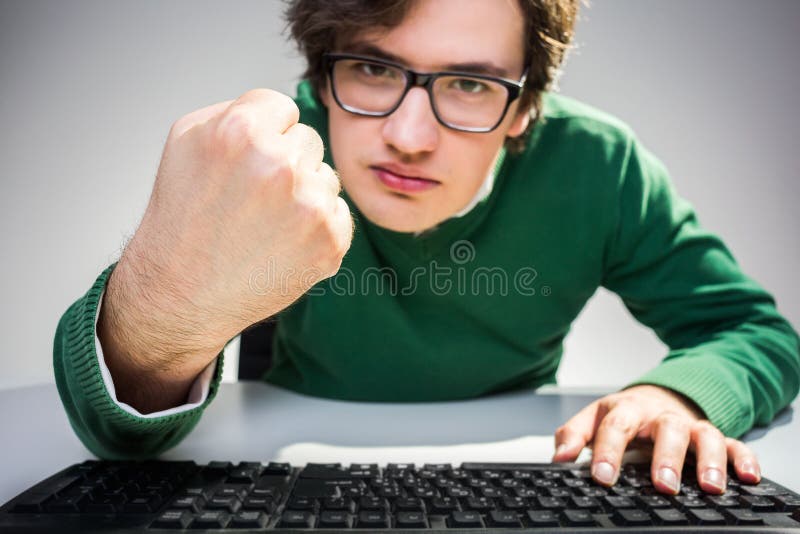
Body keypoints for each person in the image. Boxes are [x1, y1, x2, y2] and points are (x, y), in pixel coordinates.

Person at [53, 0, 799, 498]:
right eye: (373, 69)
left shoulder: (600, 166)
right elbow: (109, 428)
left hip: (518, 473)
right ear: (320, 74)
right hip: (287, 465)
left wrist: (678, 395)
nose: (409, 137)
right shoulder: (275, 154)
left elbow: (759, 335)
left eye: (471, 84)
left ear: (526, 109)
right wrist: (168, 297)